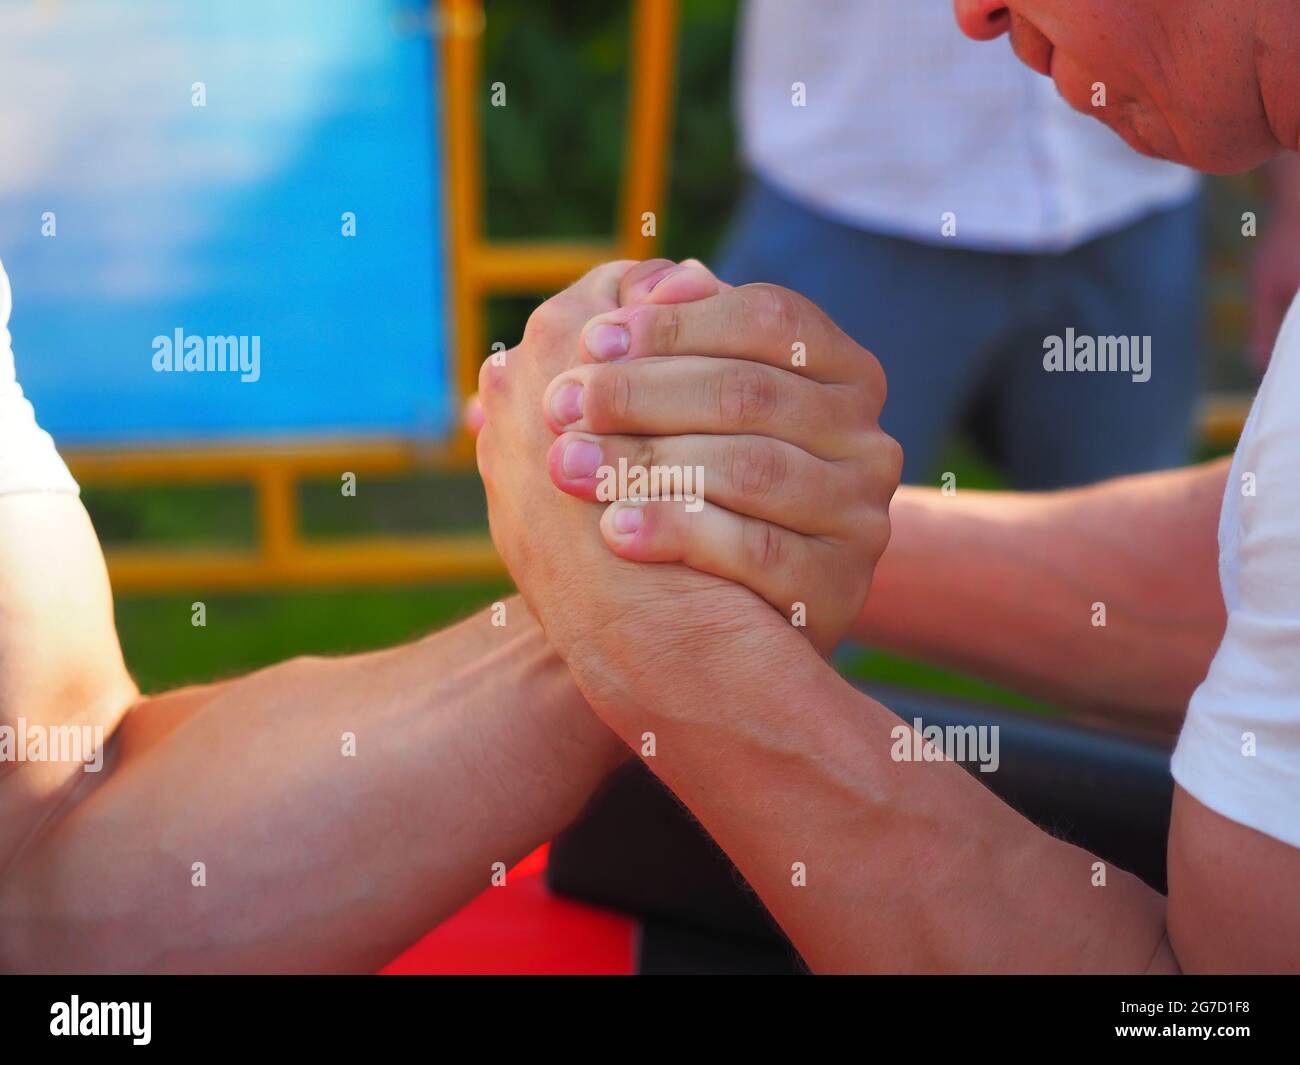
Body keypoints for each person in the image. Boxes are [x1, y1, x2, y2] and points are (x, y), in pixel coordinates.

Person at [471, 0, 1300, 972]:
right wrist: (783, 526)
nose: (970, 15)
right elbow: (1252, 591)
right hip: (865, 180)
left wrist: (678, 650)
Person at [718, 0, 1300, 487]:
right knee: (778, 561)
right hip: (854, 191)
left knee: (1131, 582)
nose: (976, 15)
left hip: (1129, 202)